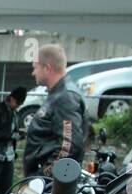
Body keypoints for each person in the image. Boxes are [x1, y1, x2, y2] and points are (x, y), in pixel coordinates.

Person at [22, 43, 86, 176]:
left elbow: (69, 145)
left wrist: (43, 175)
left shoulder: (65, 98)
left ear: (47, 68)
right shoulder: (58, 94)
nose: (33, 72)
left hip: (49, 186)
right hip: (43, 180)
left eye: (35, 68)